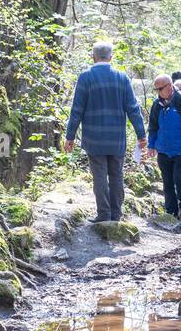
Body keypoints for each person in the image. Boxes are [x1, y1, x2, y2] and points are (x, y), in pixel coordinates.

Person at [63, 41, 147, 223]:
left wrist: (70, 136)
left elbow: (76, 110)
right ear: (111, 57)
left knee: (99, 175)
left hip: (94, 138)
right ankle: (116, 215)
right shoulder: (122, 77)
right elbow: (133, 108)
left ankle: (103, 215)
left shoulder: (86, 77)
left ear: (93, 56)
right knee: (116, 175)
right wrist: (141, 135)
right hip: (116, 138)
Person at [146, 74, 181, 219]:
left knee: (179, 179)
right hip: (163, 149)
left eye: (161, 88)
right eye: (156, 89)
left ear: (170, 86)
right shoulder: (157, 104)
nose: (159, 92)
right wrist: (151, 145)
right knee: (167, 181)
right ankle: (171, 211)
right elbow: (153, 126)